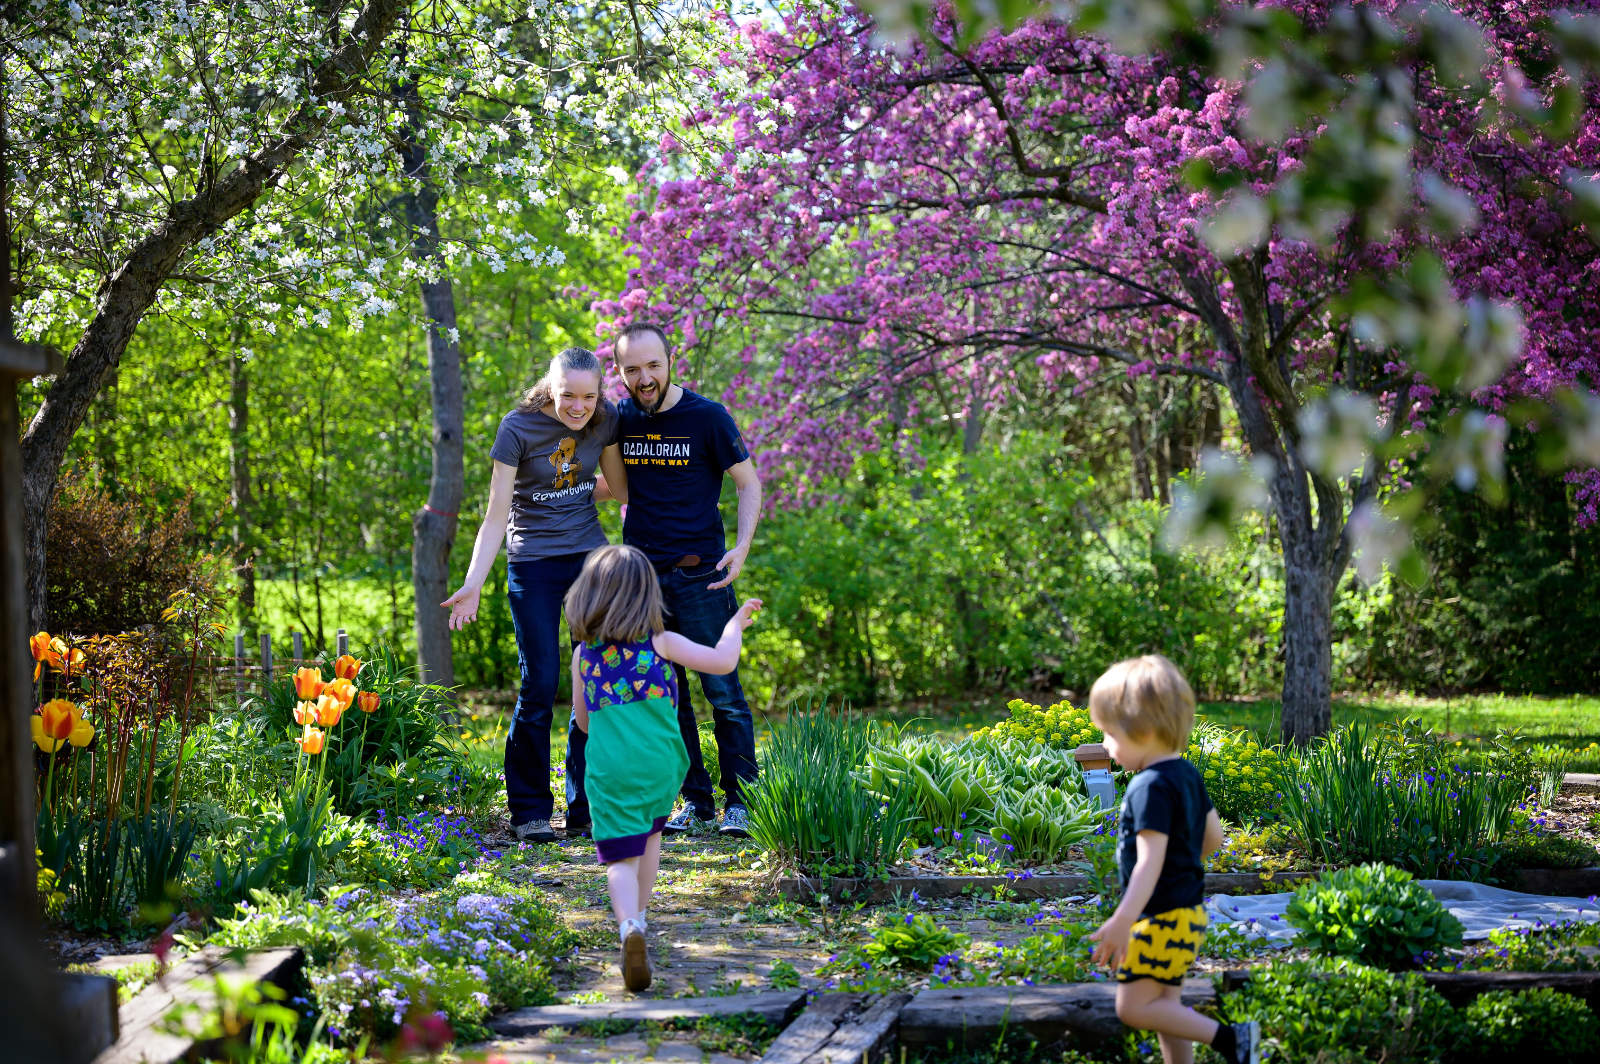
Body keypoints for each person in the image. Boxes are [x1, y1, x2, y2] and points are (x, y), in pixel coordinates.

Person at [442, 346, 627, 844]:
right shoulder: (517, 428)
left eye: (589, 397)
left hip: (590, 559)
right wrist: (474, 583)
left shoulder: (603, 420)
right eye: (569, 395)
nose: (579, 407)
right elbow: (495, 514)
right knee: (540, 683)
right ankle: (529, 810)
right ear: (551, 386)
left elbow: (619, 488)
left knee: (597, 680)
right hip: (533, 563)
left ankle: (588, 806)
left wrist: (581, 486)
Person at [565, 544, 762, 990]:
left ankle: (629, 927)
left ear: (588, 595)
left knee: (618, 855)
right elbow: (723, 661)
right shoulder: (662, 642)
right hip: (661, 764)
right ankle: (643, 918)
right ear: (646, 596)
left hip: (610, 767)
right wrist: (733, 625)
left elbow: (582, 722)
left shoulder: (584, 655)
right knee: (651, 833)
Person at [606, 321, 762, 837]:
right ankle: (696, 802)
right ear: (621, 372)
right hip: (643, 584)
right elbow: (612, 484)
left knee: (724, 692)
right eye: (632, 369)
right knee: (667, 696)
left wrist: (741, 547)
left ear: (671, 362)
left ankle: (743, 801)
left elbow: (748, 483)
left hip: (702, 577)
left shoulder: (708, 418)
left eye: (652, 365)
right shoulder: (621, 417)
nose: (643, 377)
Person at [1086, 655, 1260, 1064]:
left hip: (1159, 917)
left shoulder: (1148, 787)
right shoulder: (1186, 774)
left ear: (1142, 731)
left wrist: (1124, 918)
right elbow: (1214, 839)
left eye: (1109, 735)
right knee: (1167, 1005)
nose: (1106, 746)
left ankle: (1232, 1040)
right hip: (1190, 913)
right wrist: (1181, 864)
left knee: (1132, 1007)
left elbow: (1148, 862)